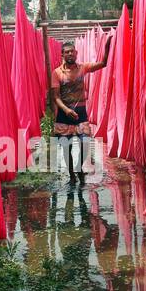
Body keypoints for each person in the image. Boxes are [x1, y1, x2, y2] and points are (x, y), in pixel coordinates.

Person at [51, 37, 111, 184]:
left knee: (85, 143)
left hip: (81, 112)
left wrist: (107, 46)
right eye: (67, 52)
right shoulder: (57, 73)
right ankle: (72, 175)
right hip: (65, 115)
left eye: (72, 51)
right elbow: (56, 97)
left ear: (76, 53)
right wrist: (65, 110)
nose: (70, 54)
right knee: (67, 148)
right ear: (62, 55)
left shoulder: (83, 68)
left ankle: (79, 167)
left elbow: (103, 63)